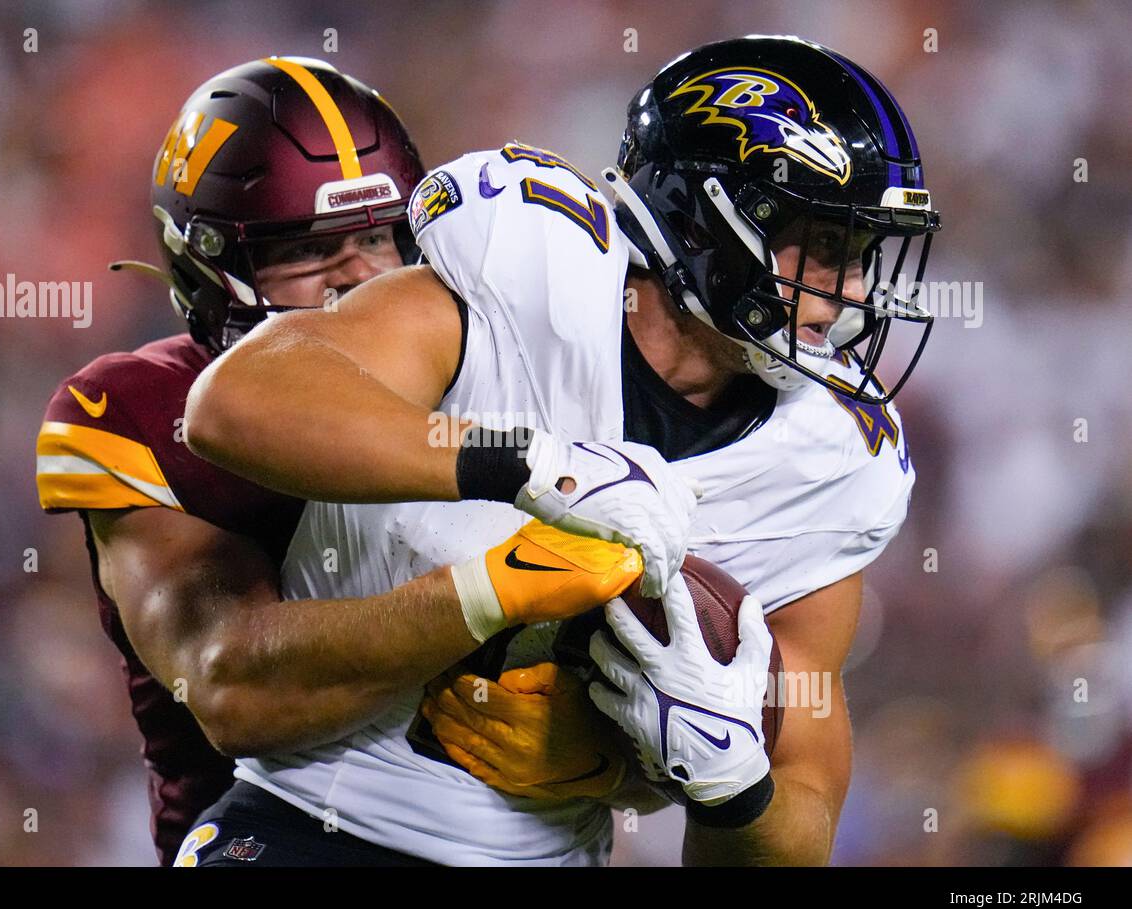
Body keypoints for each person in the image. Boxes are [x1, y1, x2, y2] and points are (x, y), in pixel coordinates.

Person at [183, 35, 941, 865]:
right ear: (704, 218)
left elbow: (802, 821)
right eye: (826, 247)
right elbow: (238, 404)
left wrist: (730, 787)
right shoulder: (534, 272)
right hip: (320, 824)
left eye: (862, 256)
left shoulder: (830, 461)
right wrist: (535, 467)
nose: (855, 293)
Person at [35, 57, 643, 866]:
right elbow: (232, 685)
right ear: (211, 273)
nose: (360, 280)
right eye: (307, 252)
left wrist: (617, 760)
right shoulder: (146, 410)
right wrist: (485, 592)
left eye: (380, 237)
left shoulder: (499, 368)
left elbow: (713, 715)